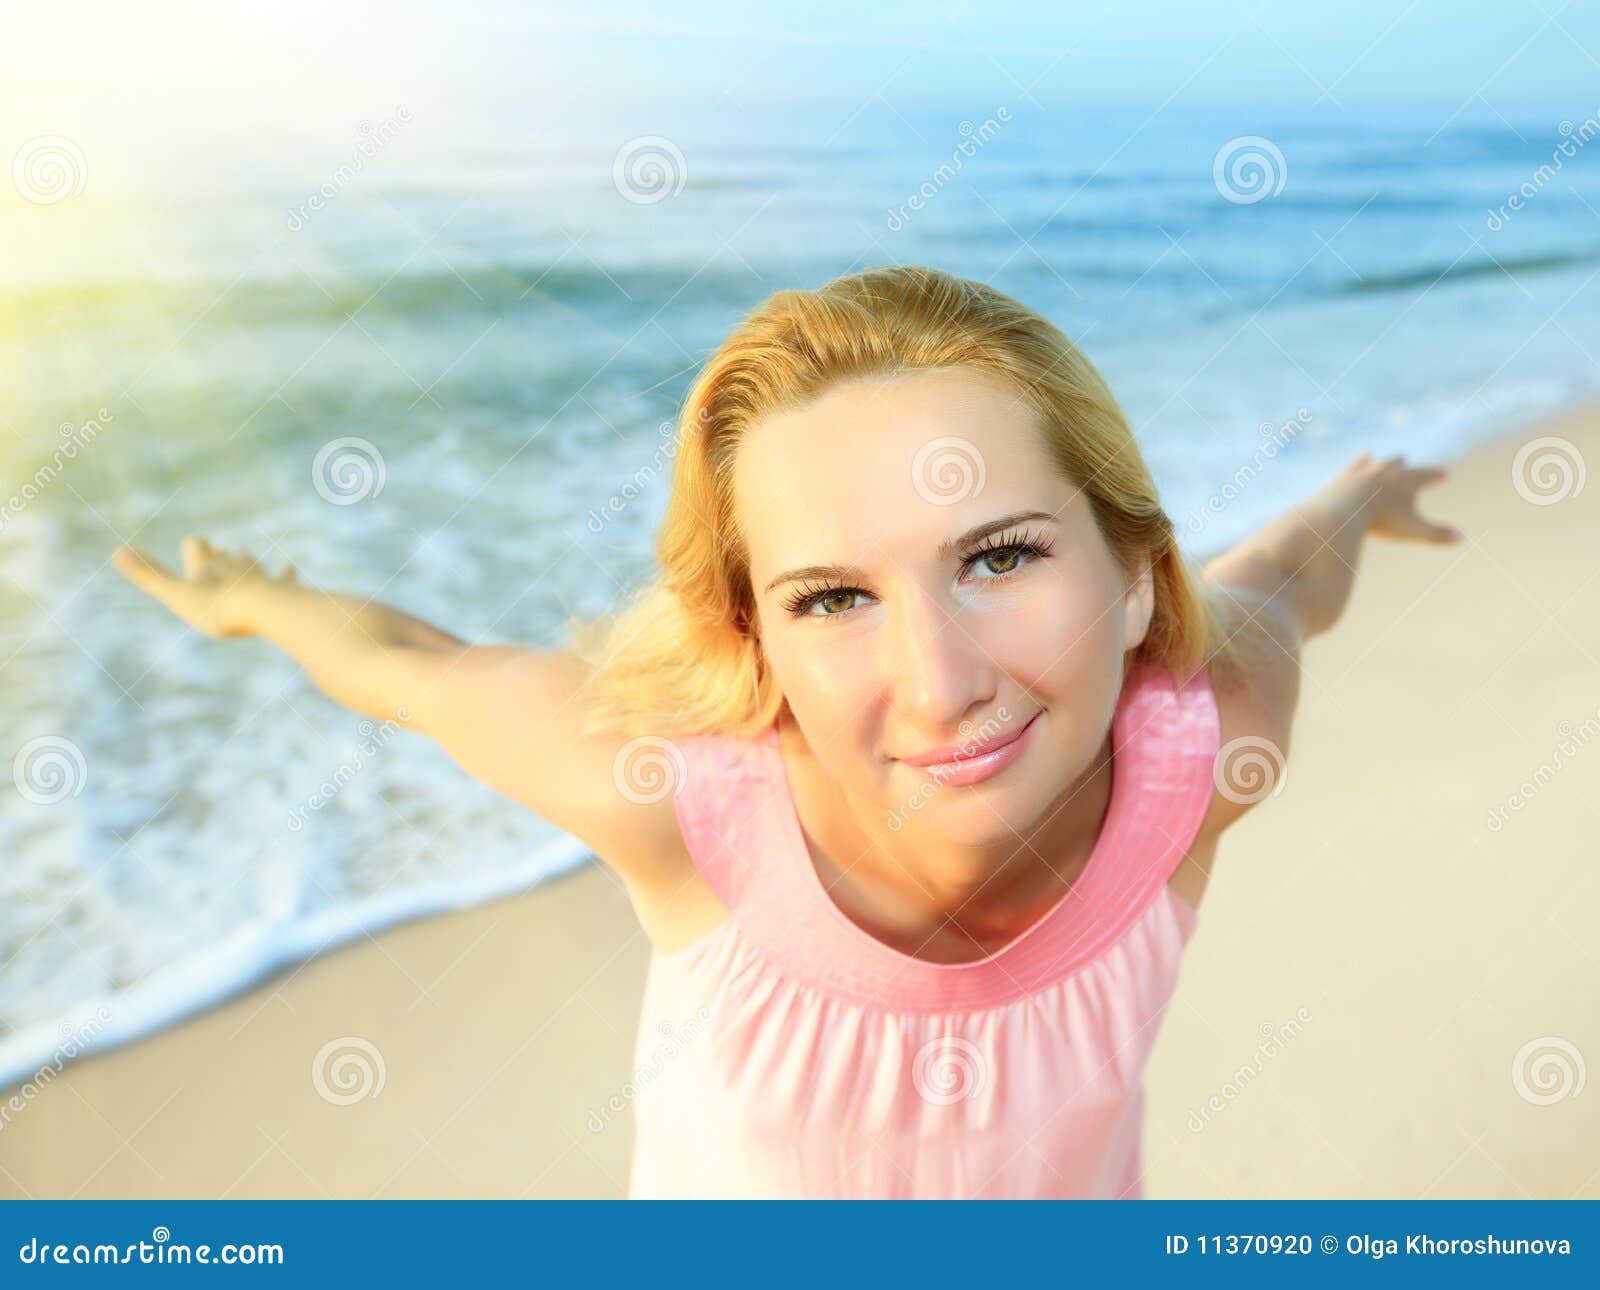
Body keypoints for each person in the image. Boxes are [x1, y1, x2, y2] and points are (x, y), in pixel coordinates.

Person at [113, 265, 1461, 1198]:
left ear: (1133, 581)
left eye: (998, 557)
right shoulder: (669, 803)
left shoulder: (1203, 748)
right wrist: (257, 601)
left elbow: (1281, 573)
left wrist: (1363, 495)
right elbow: (421, 663)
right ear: (754, 641)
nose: (941, 685)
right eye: (832, 596)